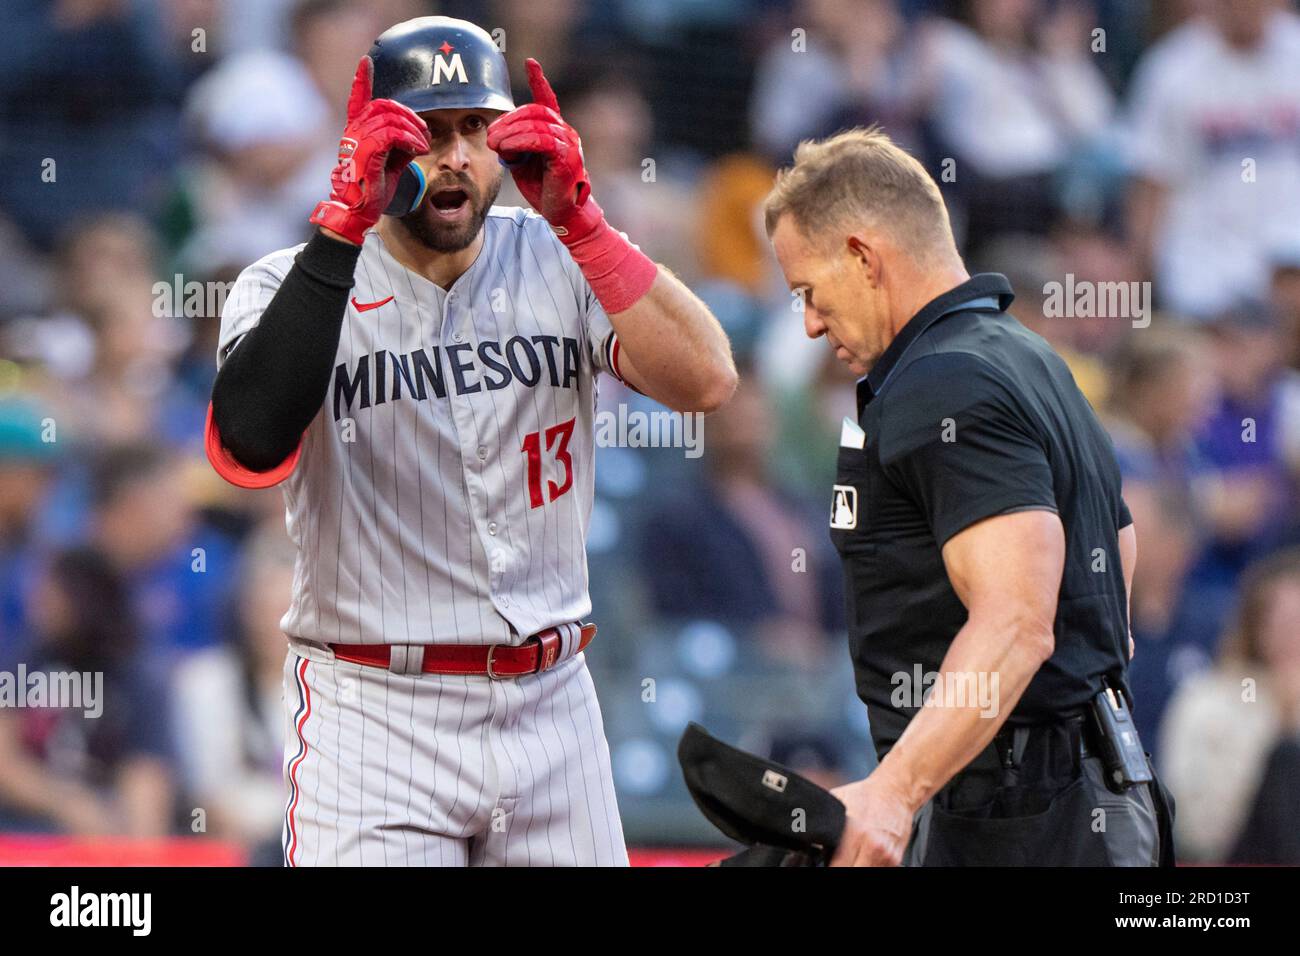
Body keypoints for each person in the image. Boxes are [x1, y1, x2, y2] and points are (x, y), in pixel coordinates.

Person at [204, 16, 736, 867]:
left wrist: (587, 224)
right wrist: (341, 227)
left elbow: (708, 380)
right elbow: (249, 445)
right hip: (378, 709)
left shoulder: (563, 254)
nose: (454, 156)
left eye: (474, 129)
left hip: (552, 700)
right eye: (428, 132)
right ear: (373, 144)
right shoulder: (285, 281)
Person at [764, 127, 1172, 866]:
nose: (811, 322)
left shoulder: (942, 383)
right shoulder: (1028, 355)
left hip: (1016, 818)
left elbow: (1017, 622)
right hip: (1082, 791)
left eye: (809, 292)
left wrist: (894, 790)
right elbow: (1116, 540)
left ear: (862, 256)